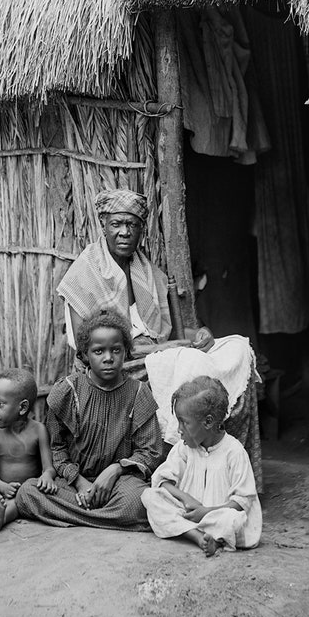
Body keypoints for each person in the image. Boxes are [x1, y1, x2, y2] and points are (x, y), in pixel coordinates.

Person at [57, 187, 258, 452]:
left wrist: (201, 333)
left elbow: (170, 330)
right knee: (190, 359)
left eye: (132, 225)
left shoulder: (145, 271)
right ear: (103, 226)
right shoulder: (86, 271)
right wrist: (159, 349)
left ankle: (225, 457)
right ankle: (185, 453)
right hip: (120, 360)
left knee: (238, 349)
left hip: (158, 352)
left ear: (141, 229)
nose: (125, 232)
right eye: (116, 224)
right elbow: (88, 347)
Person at [13, 308, 163, 530]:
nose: (108, 358)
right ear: (84, 354)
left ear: (126, 352)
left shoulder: (138, 393)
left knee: (139, 502)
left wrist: (115, 471)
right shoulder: (68, 391)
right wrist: (80, 482)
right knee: (28, 491)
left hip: (119, 484)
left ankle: (75, 513)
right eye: (98, 351)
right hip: (73, 483)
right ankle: (102, 515)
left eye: (116, 350)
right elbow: (57, 448)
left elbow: (150, 452)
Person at [141, 376, 262, 557]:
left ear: (208, 422)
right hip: (188, 513)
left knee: (233, 520)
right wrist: (187, 499)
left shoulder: (234, 452)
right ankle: (198, 536)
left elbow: (241, 501)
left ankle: (196, 531)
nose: (179, 429)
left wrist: (206, 512)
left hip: (218, 515)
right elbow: (162, 480)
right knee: (150, 496)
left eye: (184, 422)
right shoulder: (184, 448)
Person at [0, 367, 56, 534]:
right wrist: (3, 487)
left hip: (26, 491)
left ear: (22, 408)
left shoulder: (38, 431)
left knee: (17, 502)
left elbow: (48, 467)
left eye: (0, 403)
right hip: (1, 488)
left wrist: (47, 476)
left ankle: (1, 517)